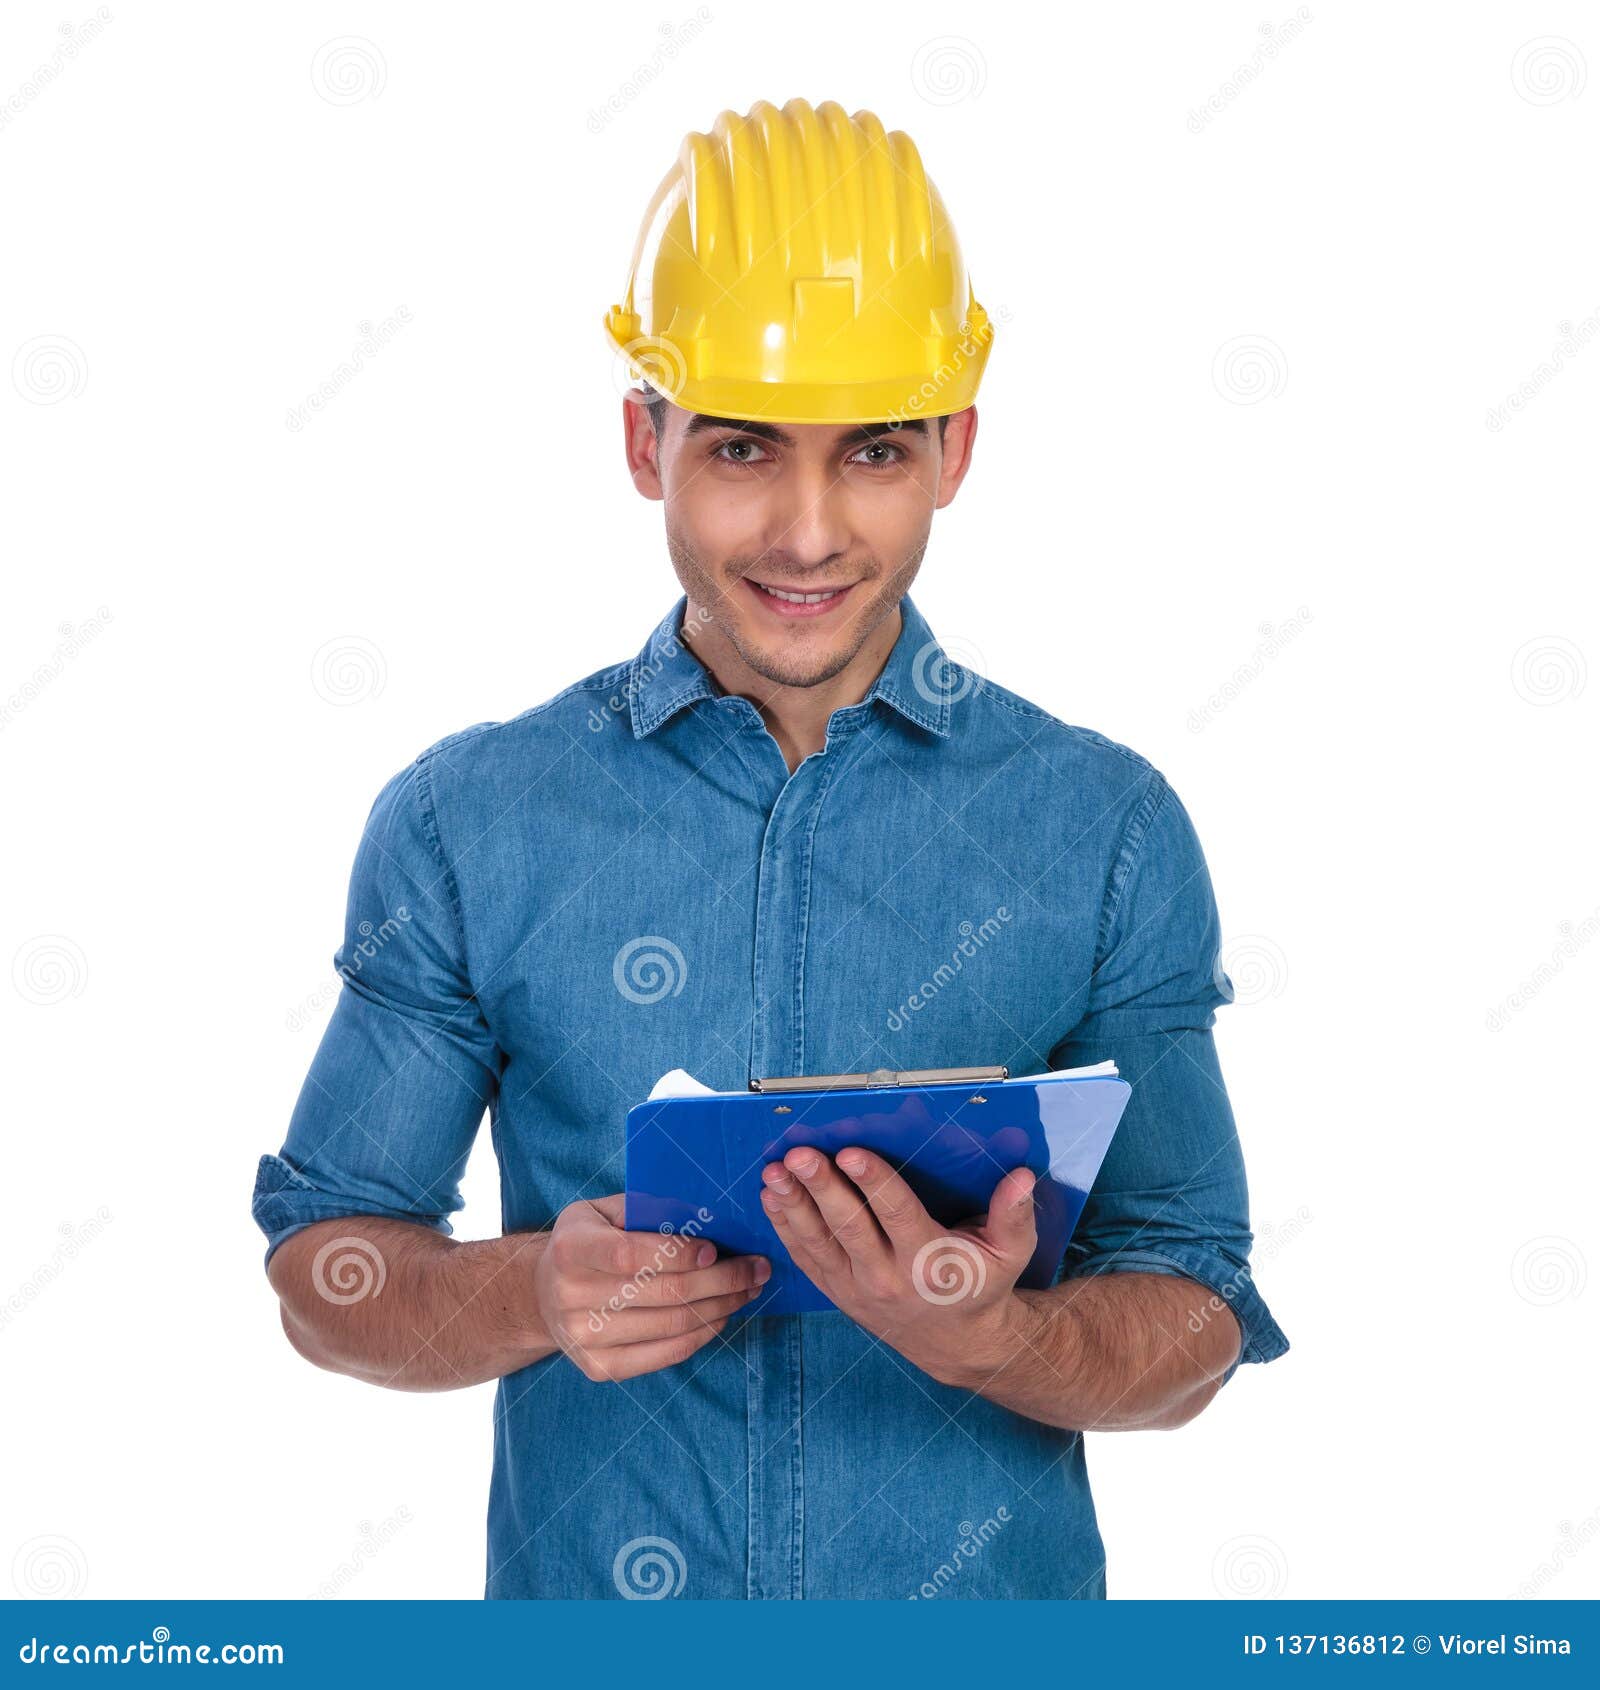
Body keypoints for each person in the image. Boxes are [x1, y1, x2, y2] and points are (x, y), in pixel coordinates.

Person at [254, 97, 1287, 1601]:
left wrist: (1005, 1338)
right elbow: (327, 1268)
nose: (807, 534)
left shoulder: (1105, 828)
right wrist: (535, 1288)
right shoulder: (468, 820)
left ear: (954, 449)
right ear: (643, 440)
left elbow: (1192, 1300)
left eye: (871, 451)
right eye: (742, 448)